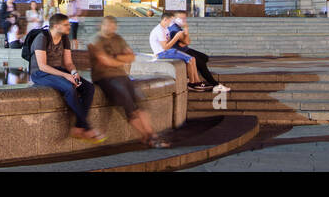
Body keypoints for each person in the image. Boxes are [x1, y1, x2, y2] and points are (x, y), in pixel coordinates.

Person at [89, 15, 168, 148]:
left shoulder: (118, 38)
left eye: (113, 25)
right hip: (105, 78)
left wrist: (116, 58)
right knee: (130, 108)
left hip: (122, 76)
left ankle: (150, 135)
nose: (111, 28)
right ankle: (150, 137)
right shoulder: (96, 41)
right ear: (101, 25)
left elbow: (131, 57)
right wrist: (120, 59)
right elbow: (105, 61)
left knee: (140, 103)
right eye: (108, 25)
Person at [30, 13, 102, 142]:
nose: (69, 27)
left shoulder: (64, 39)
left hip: (57, 71)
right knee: (69, 88)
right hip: (40, 74)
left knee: (88, 88)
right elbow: (42, 66)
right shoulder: (42, 38)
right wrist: (66, 75)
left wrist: (74, 72)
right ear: (56, 26)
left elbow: (68, 63)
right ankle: (87, 127)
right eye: (66, 25)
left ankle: (78, 126)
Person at [149, 10, 208, 91]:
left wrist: (180, 42)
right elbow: (165, 47)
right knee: (190, 59)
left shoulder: (165, 28)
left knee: (193, 59)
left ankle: (196, 82)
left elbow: (170, 42)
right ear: (165, 19)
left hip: (168, 51)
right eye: (171, 21)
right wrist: (176, 37)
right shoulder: (159, 30)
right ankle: (192, 83)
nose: (171, 23)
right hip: (162, 53)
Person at [169, 10, 226, 90]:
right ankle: (214, 84)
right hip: (181, 51)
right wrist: (186, 29)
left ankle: (191, 74)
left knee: (204, 57)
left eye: (185, 18)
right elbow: (187, 41)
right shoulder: (175, 29)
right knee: (201, 63)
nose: (184, 20)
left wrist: (184, 42)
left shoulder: (177, 27)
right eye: (181, 18)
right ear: (174, 19)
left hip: (185, 49)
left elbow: (187, 41)